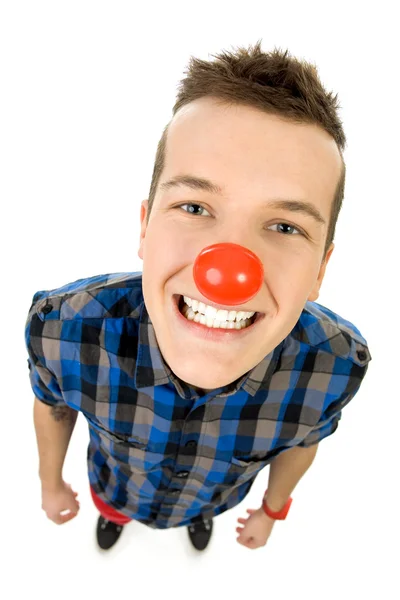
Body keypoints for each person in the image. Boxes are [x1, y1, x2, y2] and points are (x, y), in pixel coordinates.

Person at [25, 41, 372, 553]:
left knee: (198, 512)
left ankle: (194, 521)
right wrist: (49, 483)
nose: (228, 273)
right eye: (194, 207)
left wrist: (273, 510)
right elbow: (53, 408)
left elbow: (303, 443)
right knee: (114, 506)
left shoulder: (336, 366)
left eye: (283, 225)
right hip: (116, 489)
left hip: (212, 499)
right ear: (145, 229)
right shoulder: (65, 328)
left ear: (321, 268)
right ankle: (116, 519)